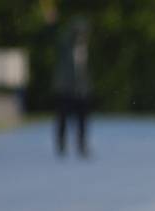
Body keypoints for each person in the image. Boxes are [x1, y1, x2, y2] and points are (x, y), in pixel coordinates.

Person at [43, 3, 92, 159]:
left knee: (83, 120)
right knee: (62, 118)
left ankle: (82, 146)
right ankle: (61, 145)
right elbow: (53, 34)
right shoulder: (65, 43)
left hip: (81, 89)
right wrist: (51, 22)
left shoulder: (85, 47)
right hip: (65, 88)